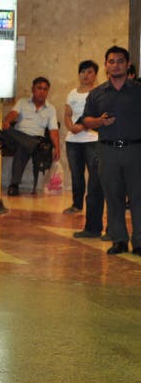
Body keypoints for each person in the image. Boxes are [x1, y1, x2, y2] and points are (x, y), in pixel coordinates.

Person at [82, 46, 141, 256]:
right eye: (111, 61)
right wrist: (99, 121)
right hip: (107, 152)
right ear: (106, 65)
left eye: (120, 61)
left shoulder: (138, 90)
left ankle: (139, 242)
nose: (116, 65)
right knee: (113, 197)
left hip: (135, 150)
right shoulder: (97, 93)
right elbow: (86, 120)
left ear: (128, 64)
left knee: (138, 198)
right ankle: (119, 240)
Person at [64, 60, 104, 239]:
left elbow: (98, 117)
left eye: (89, 72)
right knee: (76, 174)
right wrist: (71, 126)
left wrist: (82, 127)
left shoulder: (98, 93)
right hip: (72, 140)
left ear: (95, 75)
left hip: (92, 140)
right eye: (83, 72)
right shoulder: (72, 93)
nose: (85, 75)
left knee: (94, 176)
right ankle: (76, 204)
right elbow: (67, 114)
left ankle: (93, 213)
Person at [2, 77, 60, 195]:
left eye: (45, 89)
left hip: (35, 140)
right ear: (33, 89)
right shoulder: (22, 102)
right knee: (9, 132)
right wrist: (7, 121)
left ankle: (14, 185)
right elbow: (13, 113)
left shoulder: (51, 109)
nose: (42, 91)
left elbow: (53, 130)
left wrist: (57, 148)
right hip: (17, 137)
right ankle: (33, 144)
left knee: (24, 147)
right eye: (39, 88)